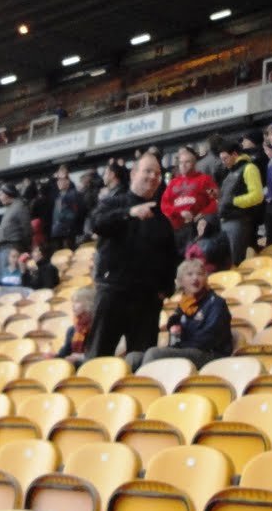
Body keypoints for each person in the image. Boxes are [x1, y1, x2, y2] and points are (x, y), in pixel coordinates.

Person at [88, 152, 179, 358]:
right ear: (134, 173)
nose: (153, 177)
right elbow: (96, 224)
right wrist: (129, 214)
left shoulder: (161, 220)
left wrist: (166, 289)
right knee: (97, 356)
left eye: (157, 174)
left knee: (141, 359)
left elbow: (170, 257)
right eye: (148, 171)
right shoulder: (113, 203)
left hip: (147, 301)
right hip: (113, 293)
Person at [138, 260, 232, 367]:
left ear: (205, 279)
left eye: (200, 274)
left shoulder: (216, 303)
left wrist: (180, 345)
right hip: (187, 349)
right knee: (134, 357)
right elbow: (175, 337)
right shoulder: (183, 305)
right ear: (181, 281)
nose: (195, 278)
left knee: (154, 354)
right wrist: (173, 328)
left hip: (211, 354)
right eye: (190, 274)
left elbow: (209, 338)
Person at [159, 145, 219, 248]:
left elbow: (215, 201)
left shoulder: (205, 180)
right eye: (181, 163)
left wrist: (202, 214)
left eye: (187, 162)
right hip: (177, 229)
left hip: (198, 225)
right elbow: (164, 205)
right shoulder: (173, 183)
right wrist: (179, 212)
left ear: (194, 164)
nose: (183, 165)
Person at [217, 140, 265, 265]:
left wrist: (234, 201)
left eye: (225, 158)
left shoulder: (249, 168)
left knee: (237, 260)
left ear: (234, 154)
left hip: (240, 220)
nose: (223, 162)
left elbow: (257, 196)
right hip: (227, 219)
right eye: (222, 159)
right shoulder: (231, 171)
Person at [59, 287, 95, 364]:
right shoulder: (72, 330)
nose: (73, 305)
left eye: (77, 302)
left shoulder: (97, 328)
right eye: (73, 302)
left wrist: (81, 357)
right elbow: (64, 353)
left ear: (89, 303)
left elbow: (98, 354)